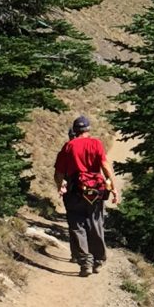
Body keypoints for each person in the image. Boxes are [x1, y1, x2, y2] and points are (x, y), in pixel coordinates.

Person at [54, 115, 117, 277]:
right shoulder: (96, 144)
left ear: (75, 130)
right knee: (95, 224)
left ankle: (85, 262)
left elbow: (59, 172)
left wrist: (60, 186)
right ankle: (98, 260)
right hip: (95, 190)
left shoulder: (69, 146)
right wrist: (113, 187)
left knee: (77, 225)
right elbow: (105, 166)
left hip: (75, 190)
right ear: (88, 129)